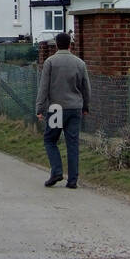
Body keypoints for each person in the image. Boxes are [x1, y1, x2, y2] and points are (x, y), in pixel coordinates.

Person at [35, 31, 91, 189]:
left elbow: (44, 87)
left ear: (56, 44)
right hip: (75, 108)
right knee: (72, 143)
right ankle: (72, 180)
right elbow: (86, 87)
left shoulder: (50, 62)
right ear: (70, 44)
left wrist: (39, 107)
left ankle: (57, 171)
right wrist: (86, 106)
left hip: (56, 108)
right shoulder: (80, 63)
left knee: (50, 140)